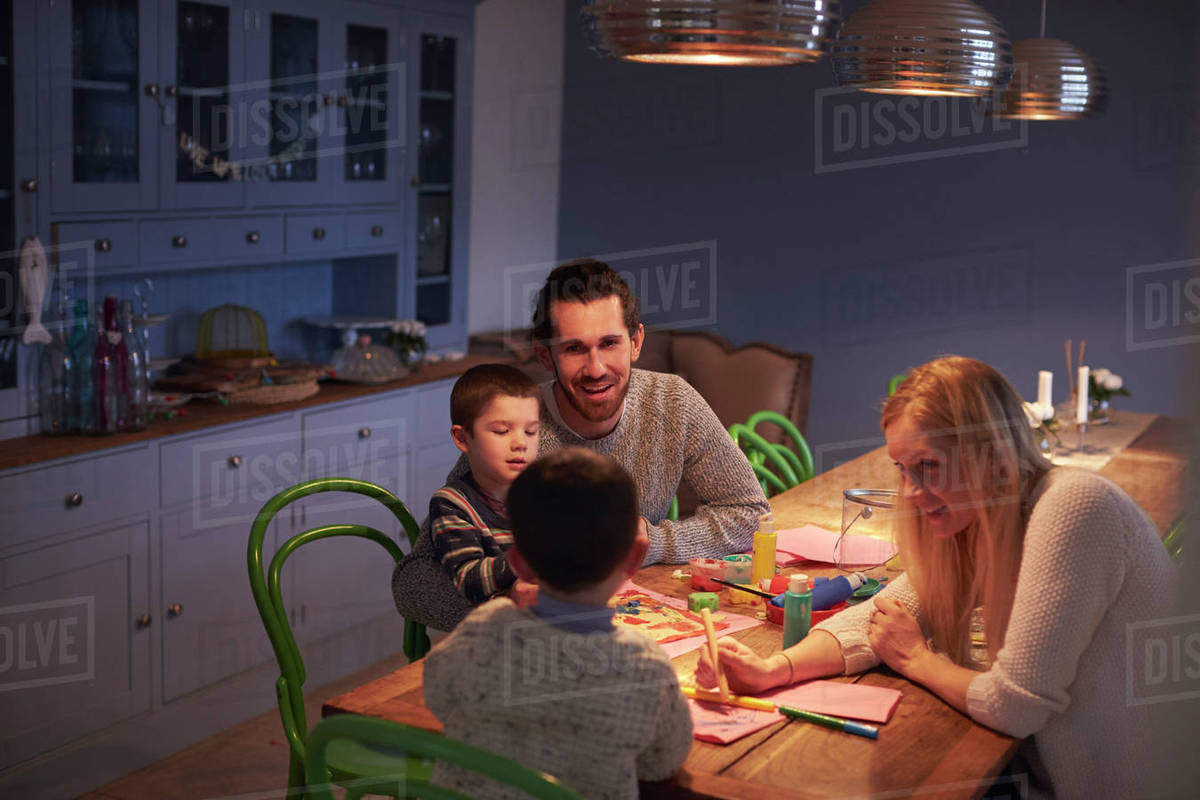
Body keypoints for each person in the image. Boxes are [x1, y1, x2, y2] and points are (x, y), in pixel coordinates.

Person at [696, 356, 1177, 800]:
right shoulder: (977, 516)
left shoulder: (1072, 506)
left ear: (992, 455)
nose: (912, 491)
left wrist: (916, 659)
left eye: (929, 466)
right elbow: (880, 618)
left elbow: (1016, 706)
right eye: (902, 469)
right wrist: (773, 670)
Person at [395, 259, 768, 630]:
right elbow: (412, 581)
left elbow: (752, 513)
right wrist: (504, 608)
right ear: (545, 355)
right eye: (575, 348)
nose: (595, 369)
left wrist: (653, 541)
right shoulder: (516, 429)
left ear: (636, 342)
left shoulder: (672, 401)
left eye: (609, 344)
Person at [423, 448, 693, 799]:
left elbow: (438, 697)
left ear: (518, 564)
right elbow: (662, 763)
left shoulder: (484, 629)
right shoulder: (644, 666)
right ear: (635, 557)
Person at [429, 363, 541, 606]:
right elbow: (468, 580)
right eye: (502, 431)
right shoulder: (452, 505)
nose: (520, 443)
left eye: (531, 432)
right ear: (462, 438)